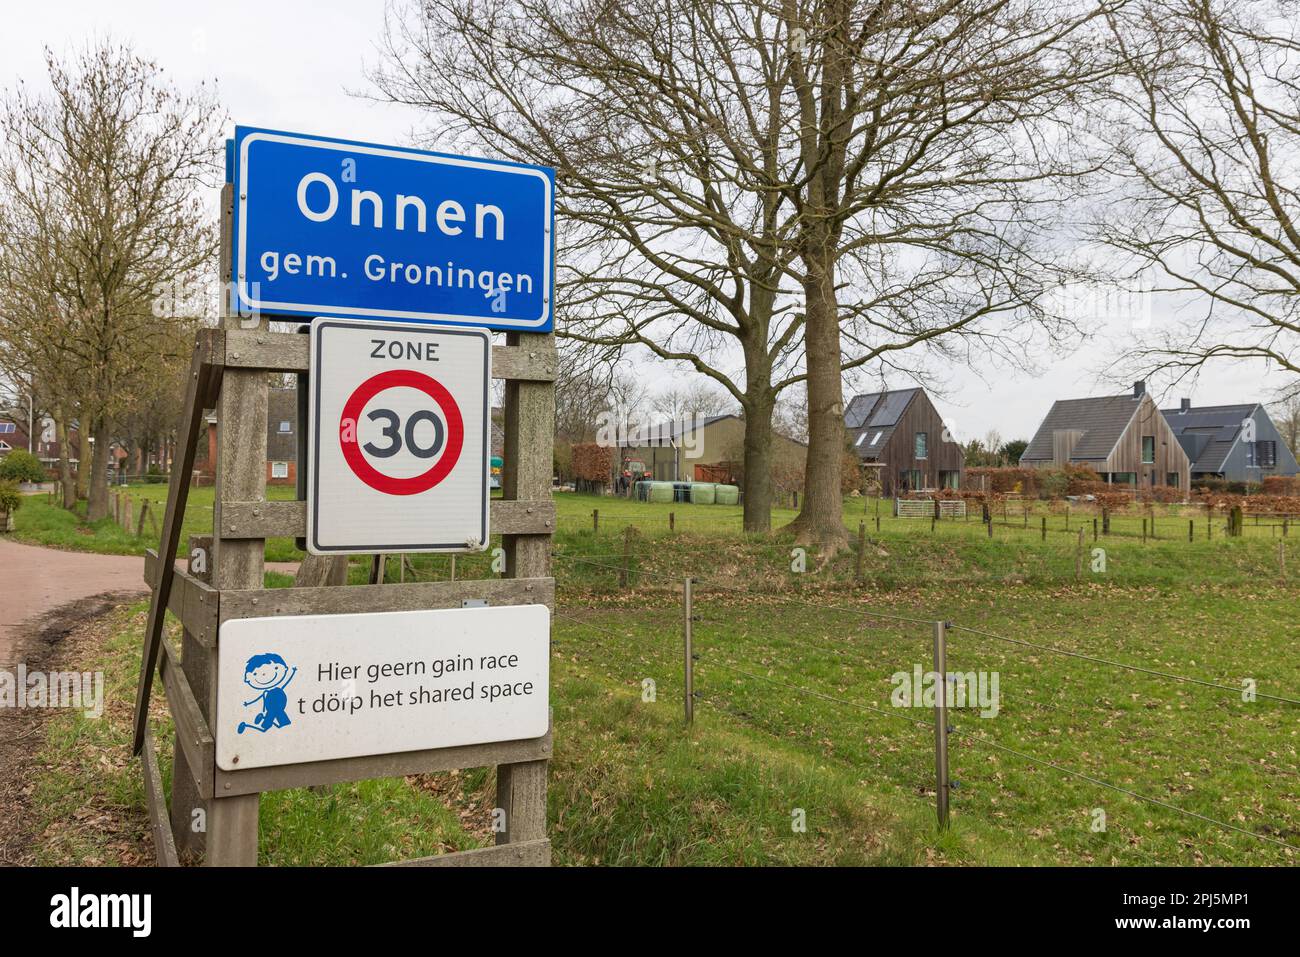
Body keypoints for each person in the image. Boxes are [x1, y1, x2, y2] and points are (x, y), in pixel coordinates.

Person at [236, 653, 297, 734]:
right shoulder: (266, 693)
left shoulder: (274, 691)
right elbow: (259, 698)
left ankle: (257, 722)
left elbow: (286, 682)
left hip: (275, 708)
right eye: (255, 674)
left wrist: (293, 672)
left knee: (270, 723)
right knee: (276, 722)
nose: (264, 675)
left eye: (276, 668)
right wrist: (248, 703)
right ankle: (257, 722)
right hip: (273, 709)